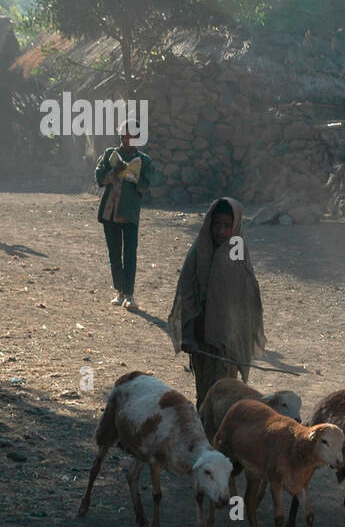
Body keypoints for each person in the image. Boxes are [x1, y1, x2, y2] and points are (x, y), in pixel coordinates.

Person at [166, 197, 265, 408]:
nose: (221, 231)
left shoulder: (237, 249)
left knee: (224, 395)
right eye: (217, 225)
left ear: (235, 226)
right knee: (204, 394)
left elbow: (244, 297)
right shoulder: (200, 249)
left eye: (227, 226)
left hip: (227, 342)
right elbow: (188, 292)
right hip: (202, 337)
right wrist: (189, 333)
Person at [94, 120, 156, 310]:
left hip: (130, 214)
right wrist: (115, 171)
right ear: (121, 136)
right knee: (114, 254)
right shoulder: (109, 155)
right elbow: (99, 179)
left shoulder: (144, 161)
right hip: (110, 213)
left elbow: (146, 184)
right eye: (126, 135)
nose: (129, 139)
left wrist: (133, 175)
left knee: (130, 254)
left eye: (133, 136)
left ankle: (130, 295)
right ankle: (119, 292)